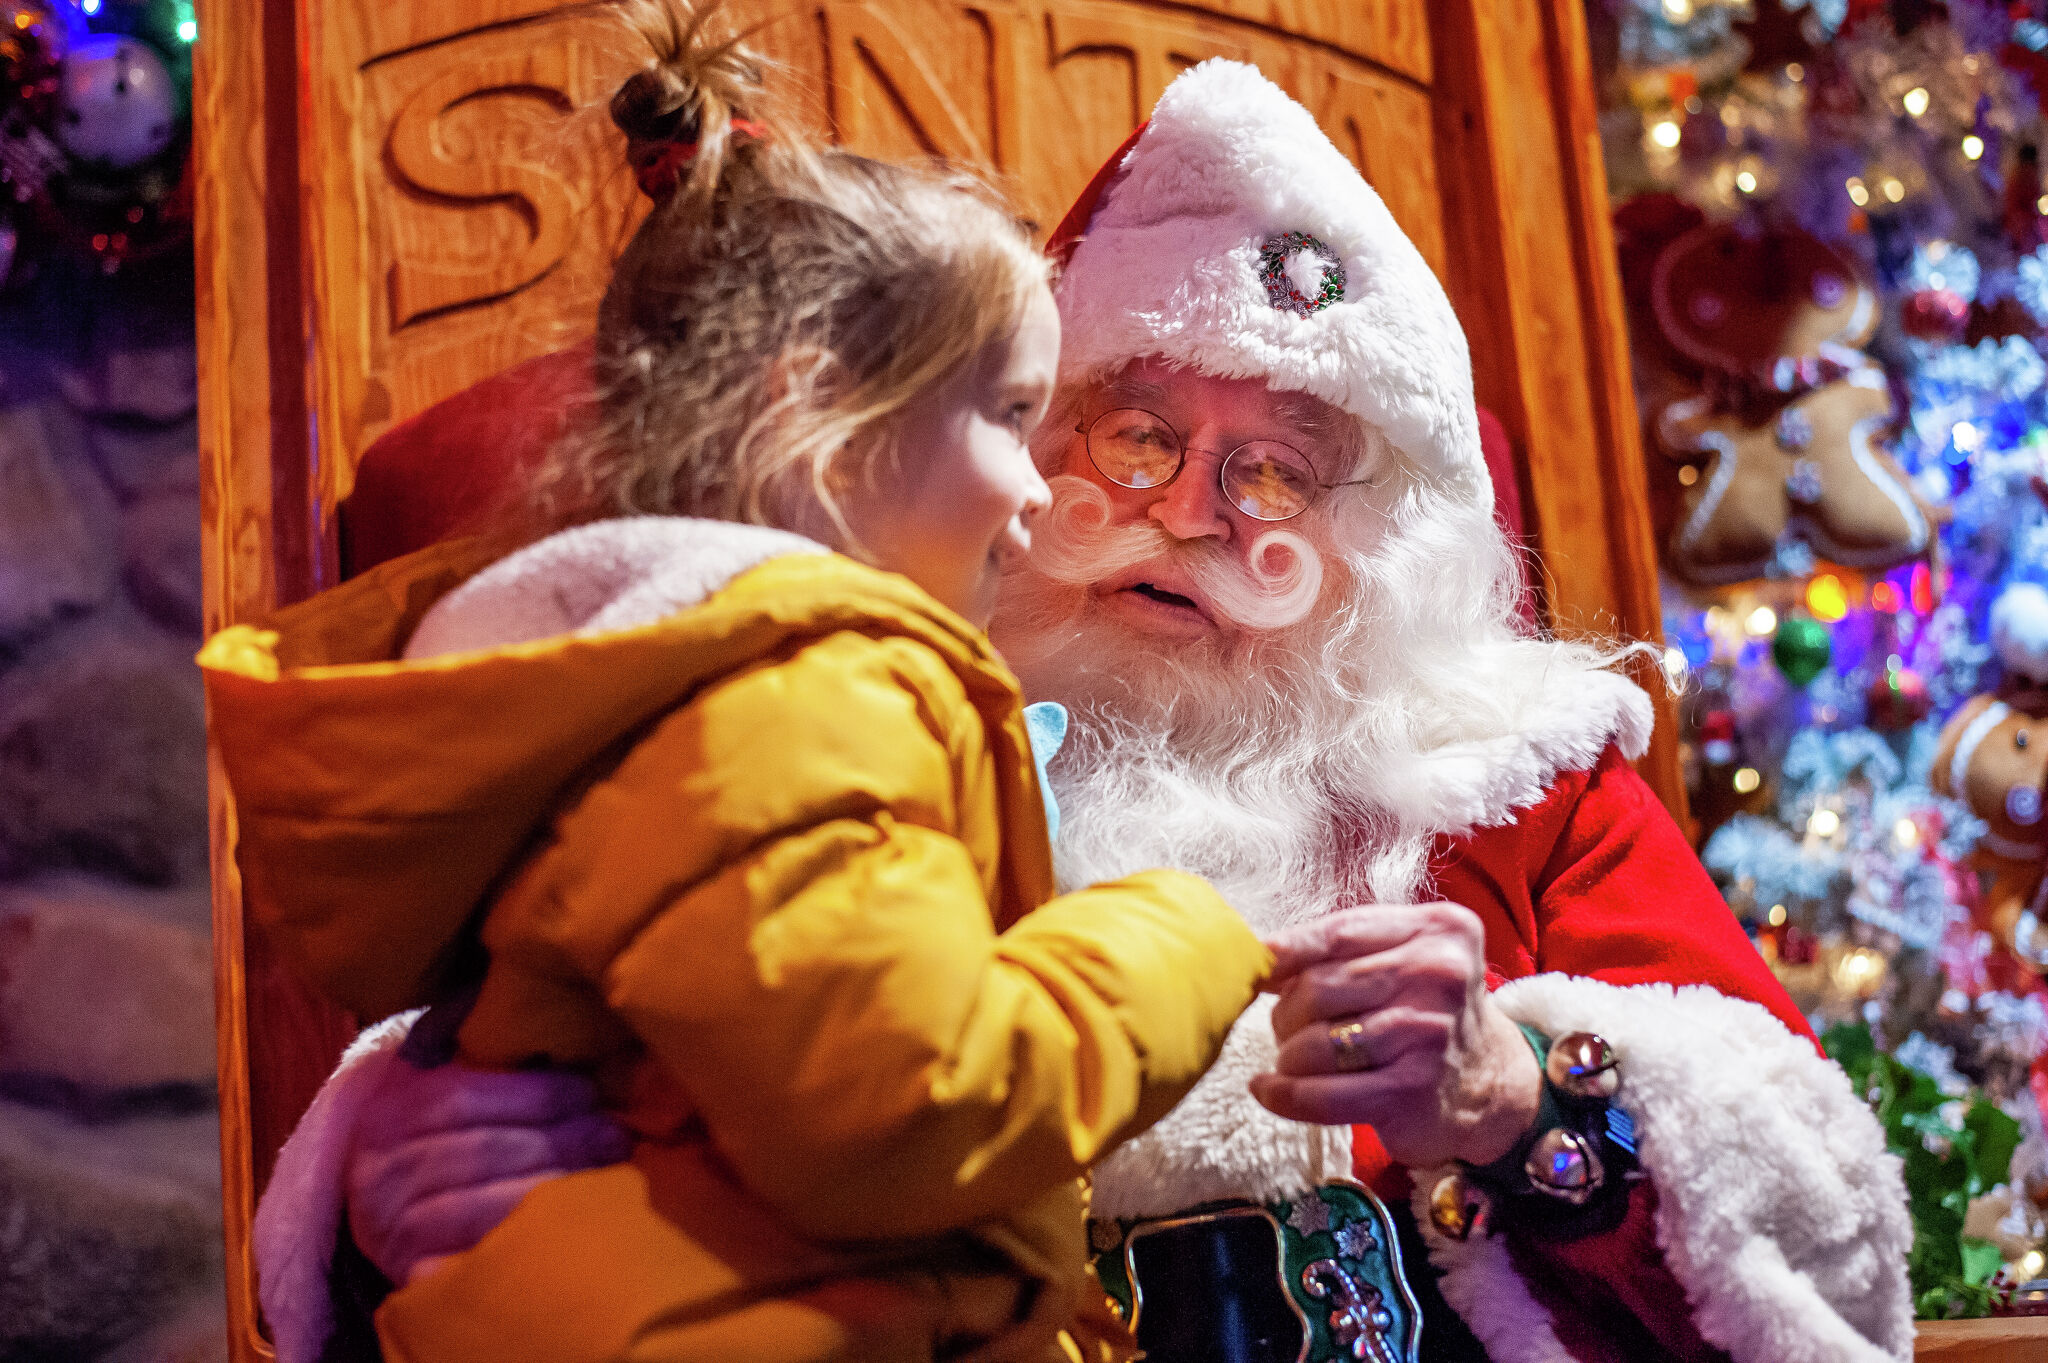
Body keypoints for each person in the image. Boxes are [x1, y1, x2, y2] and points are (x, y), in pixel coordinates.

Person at [253, 55, 1914, 1363]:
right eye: (1131, 432)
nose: (1194, 510)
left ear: (1382, 543)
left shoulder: (1510, 779)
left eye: (1278, 470)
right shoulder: (802, 709)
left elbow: (1827, 1244)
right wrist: (394, 1164)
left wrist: (1506, 1093)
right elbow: (572, 1010)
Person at [198, 5, 1275, 1360]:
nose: (1052, 485)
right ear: (815, 417)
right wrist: (1180, 932)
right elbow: (901, 1105)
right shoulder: (812, 689)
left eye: (1279, 470)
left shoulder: (682, 671)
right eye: (1019, 418)